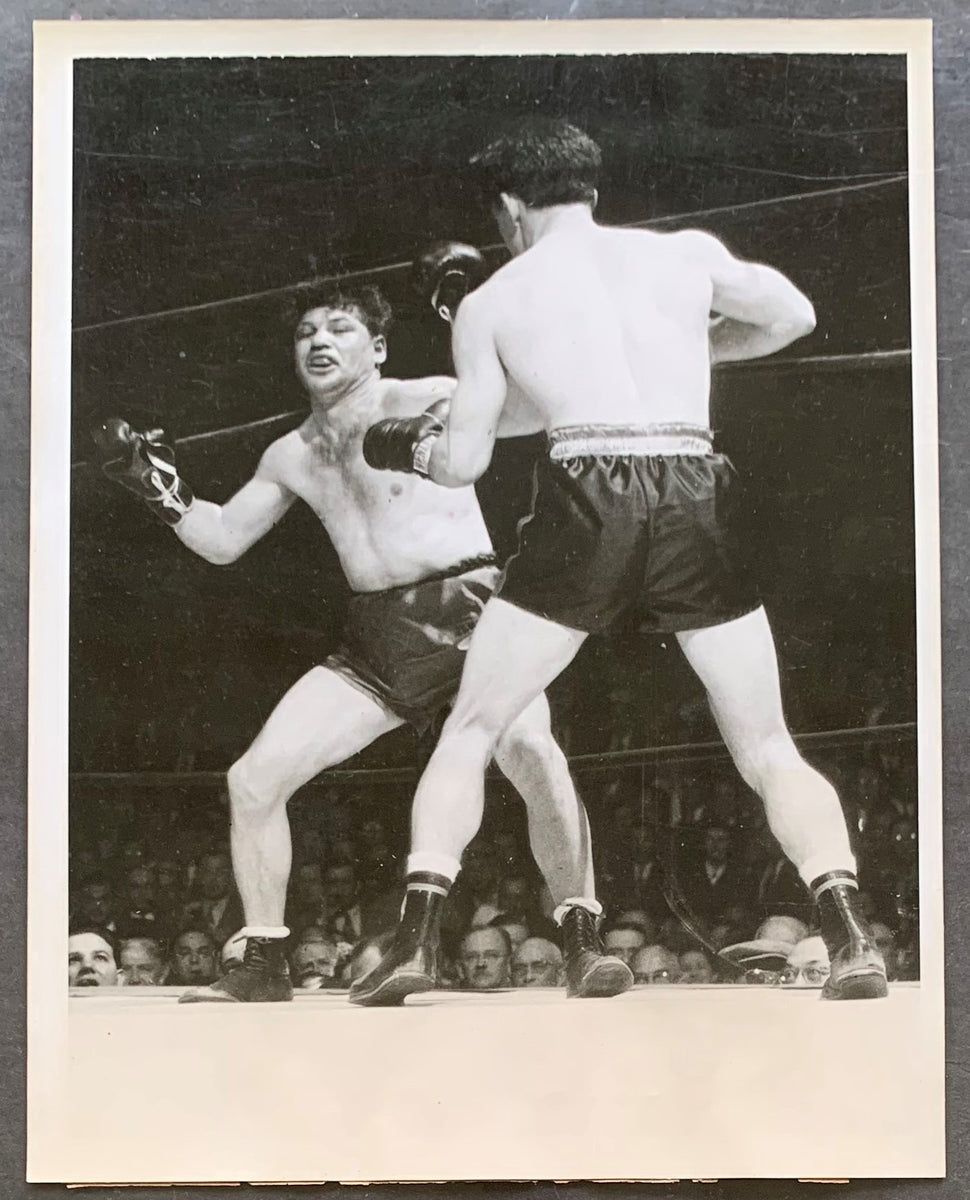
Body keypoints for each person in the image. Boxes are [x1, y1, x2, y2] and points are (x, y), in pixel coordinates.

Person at [361, 118, 887, 1002]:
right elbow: (795, 314)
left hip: (586, 488)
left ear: (508, 209)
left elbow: (466, 461)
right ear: (593, 191)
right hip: (694, 481)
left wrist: (402, 447)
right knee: (765, 742)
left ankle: (415, 944)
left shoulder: (495, 299)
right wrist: (697, 350)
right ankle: (848, 936)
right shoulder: (683, 255)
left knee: (473, 728)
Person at [94, 283, 630, 1005]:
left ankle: (581, 938)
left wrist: (474, 334)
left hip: (472, 608)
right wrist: (156, 490)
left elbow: (537, 412)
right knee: (253, 780)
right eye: (306, 332)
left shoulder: (425, 396)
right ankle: (262, 960)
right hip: (379, 635)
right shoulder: (291, 452)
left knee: (531, 752)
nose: (319, 341)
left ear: (376, 349)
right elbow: (223, 539)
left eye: (340, 328)